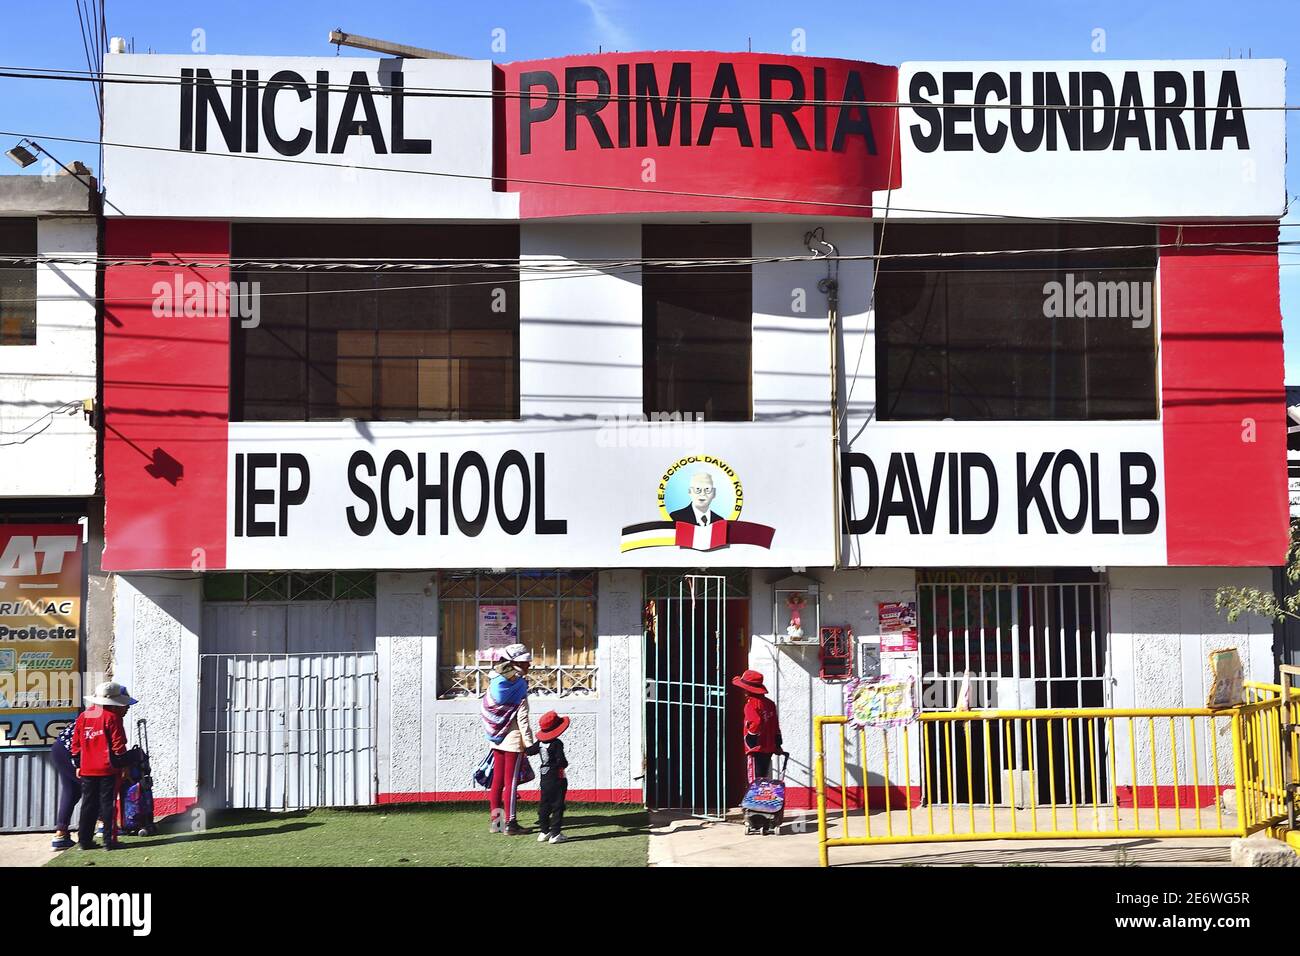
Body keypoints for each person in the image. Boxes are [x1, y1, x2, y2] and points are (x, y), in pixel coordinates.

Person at [70, 681, 137, 851]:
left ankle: (84, 841)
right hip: (108, 769)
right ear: (114, 704)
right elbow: (118, 748)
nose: (125, 708)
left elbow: (75, 745)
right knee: (108, 804)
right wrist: (130, 760)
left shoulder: (84, 716)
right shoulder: (112, 718)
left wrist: (78, 764)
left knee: (88, 805)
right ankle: (109, 841)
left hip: (86, 769)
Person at [480, 643, 538, 835]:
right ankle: (511, 823)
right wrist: (530, 744)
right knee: (510, 782)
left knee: (497, 780)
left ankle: (496, 822)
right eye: (524, 662)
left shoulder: (495, 679)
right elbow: (522, 717)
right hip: (512, 738)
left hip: (496, 736)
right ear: (514, 663)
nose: (528, 665)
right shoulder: (519, 684)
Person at [732, 669, 782, 781]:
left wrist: (751, 739)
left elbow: (756, 722)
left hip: (756, 749)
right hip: (768, 748)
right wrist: (778, 744)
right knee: (763, 780)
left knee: (754, 782)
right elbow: (775, 726)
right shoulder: (770, 704)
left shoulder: (750, 705)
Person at [535, 710, 570, 845]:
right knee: (557, 806)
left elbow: (530, 751)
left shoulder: (539, 743)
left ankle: (544, 831)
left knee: (544, 804)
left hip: (544, 777)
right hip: (557, 777)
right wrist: (564, 764)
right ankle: (555, 833)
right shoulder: (557, 743)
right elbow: (561, 761)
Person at [49, 720, 79, 850]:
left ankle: (61, 835)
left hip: (60, 748)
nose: (127, 708)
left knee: (72, 791)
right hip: (67, 751)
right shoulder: (107, 718)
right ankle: (104, 824)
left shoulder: (94, 714)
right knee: (92, 787)